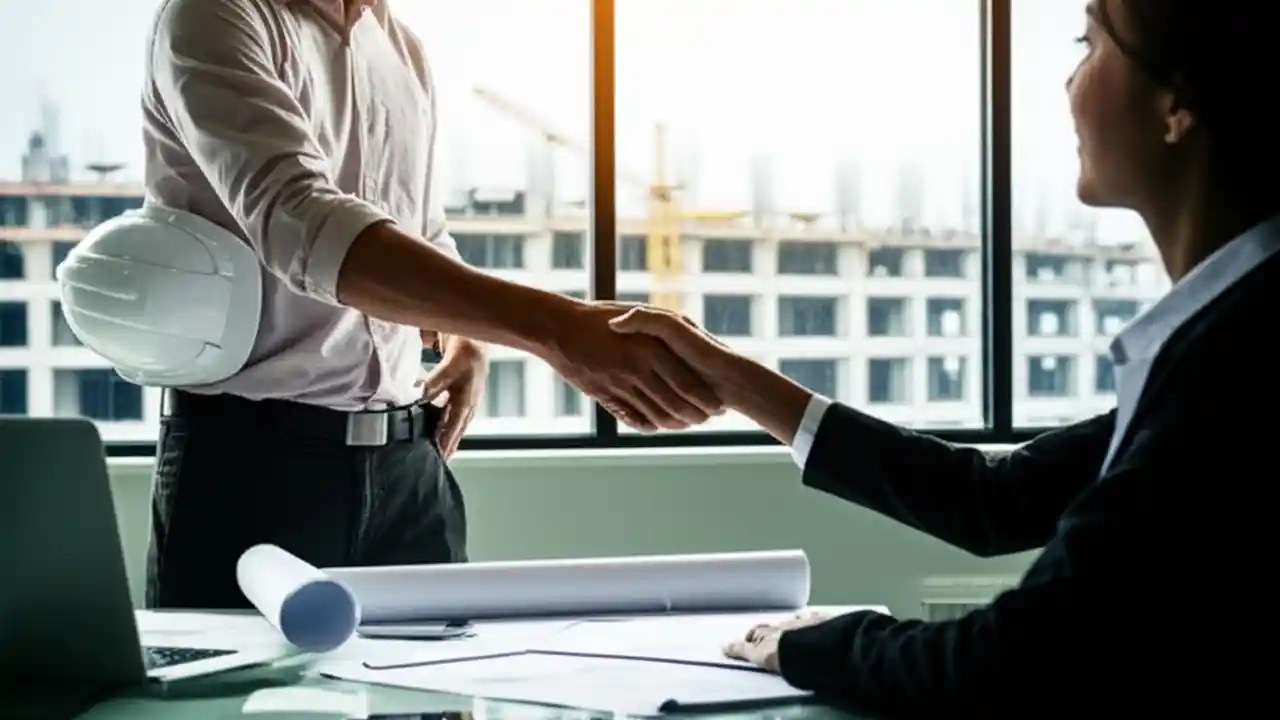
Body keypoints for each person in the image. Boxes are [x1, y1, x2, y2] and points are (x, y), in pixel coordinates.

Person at [610, 0, 1277, 715]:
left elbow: (1012, 662)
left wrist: (818, 644)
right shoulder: (1220, 339)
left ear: (1176, 105)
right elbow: (994, 499)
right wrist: (740, 384)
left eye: (1090, 44)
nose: (1069, 82)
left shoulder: (1235, 372)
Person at [139, 0, 721, 610]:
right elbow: (301, 222)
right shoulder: (214, 15)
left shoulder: (400, 48)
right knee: (232, 674)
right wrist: (555, 329)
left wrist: (469, 336)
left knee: (445, 670)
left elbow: (419, 228)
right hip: (249, 467)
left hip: (409, 471)